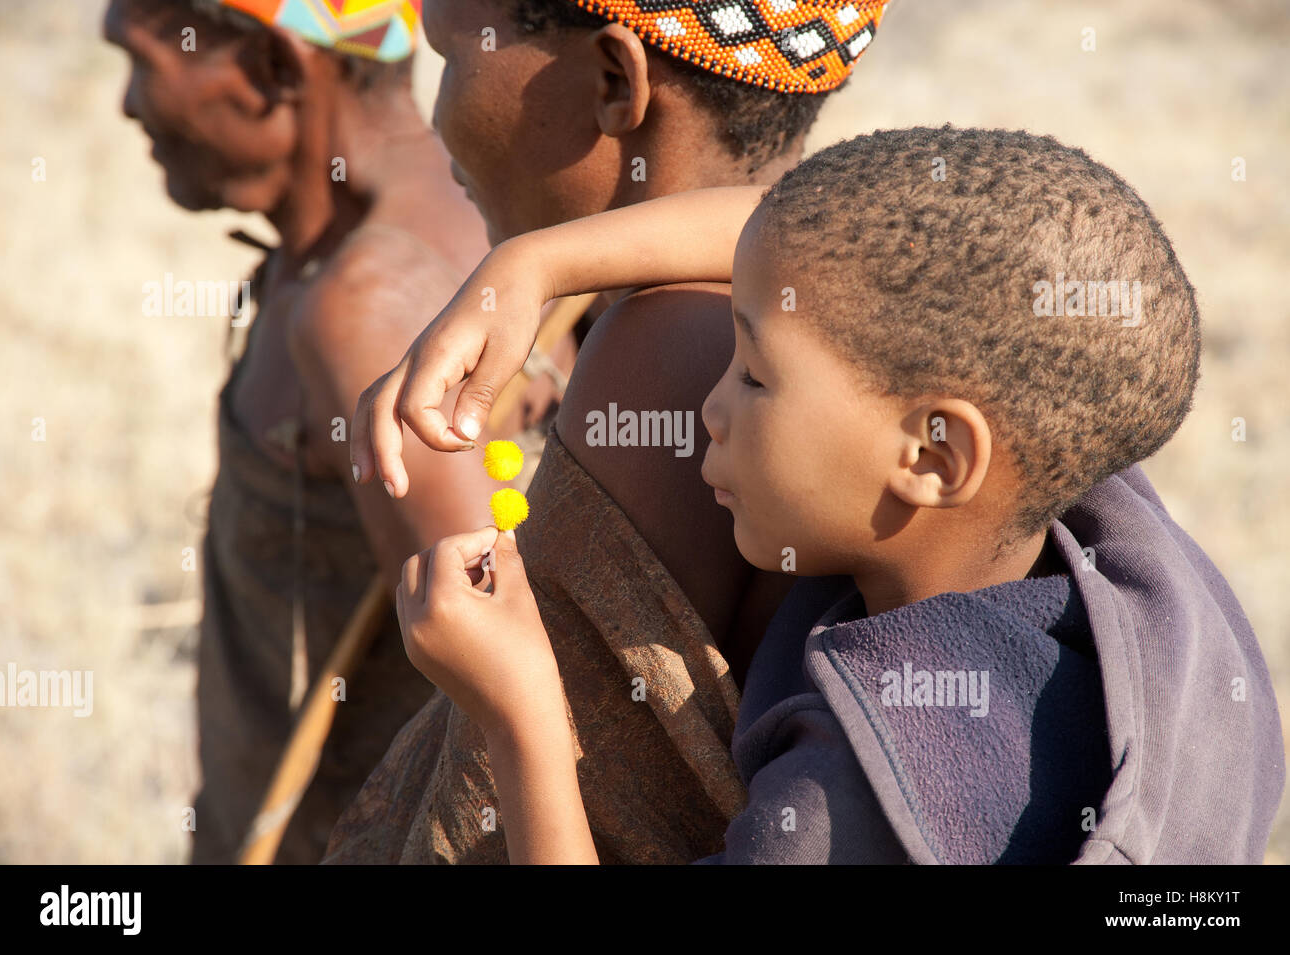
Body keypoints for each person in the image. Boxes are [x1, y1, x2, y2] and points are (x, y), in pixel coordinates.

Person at [391, 127, 1286, 864]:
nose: (709, 405)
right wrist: (537, 266)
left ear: (935, 455)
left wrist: (518, 713)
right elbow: (787, 241)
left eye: (754, 375)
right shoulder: (1060, 471)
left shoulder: (865, 789)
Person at [325, 0, 893, 863]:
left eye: (451, 55)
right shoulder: (833, 300)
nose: (434, 118)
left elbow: (532, 804)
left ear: (613, 82)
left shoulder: (668, 340)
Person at [102, 0, 569, 863]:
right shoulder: (441, 213)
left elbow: (494, 664)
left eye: (141, 60)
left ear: (274, 71)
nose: (129, 104)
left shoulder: (362, 306)